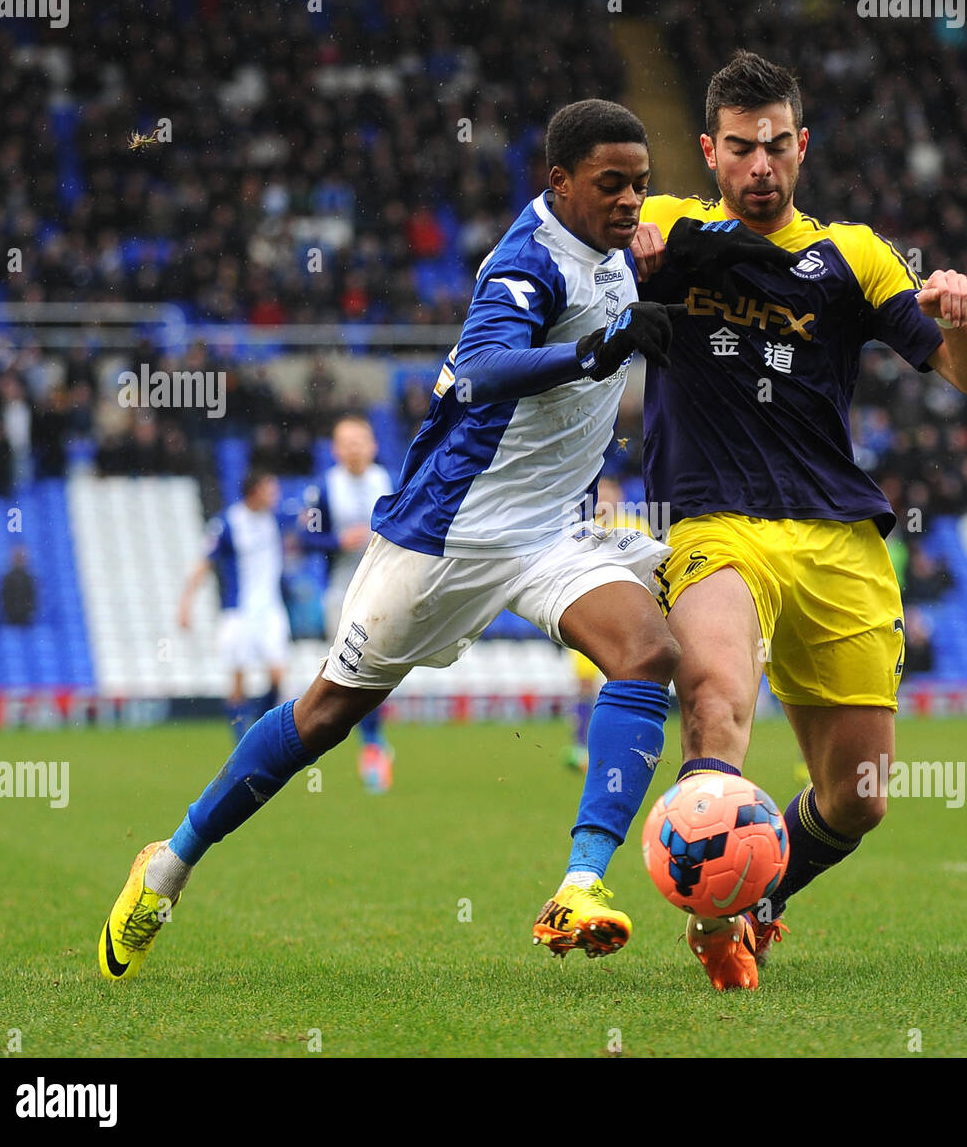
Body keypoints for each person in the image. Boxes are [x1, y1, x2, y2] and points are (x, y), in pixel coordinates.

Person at [99, 99, 685, 981]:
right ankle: (169, 864)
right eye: (613, 186)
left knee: (646, 654)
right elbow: (484, 369)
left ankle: (580, 884)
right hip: (448, 531)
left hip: (552, 533)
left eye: (641, 185)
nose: (632, 202)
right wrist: (598, 351)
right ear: (558, 183)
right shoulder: (526, 263)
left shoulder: (624, 244)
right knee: (326, 715)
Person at [633, 51, 967, 989]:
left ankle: (758, 894)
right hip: (714, 521)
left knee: (861, 798)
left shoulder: (856, 255)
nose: (761, 166)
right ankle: (712, 910)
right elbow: (610, 245)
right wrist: (624, 250)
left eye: (777, 146)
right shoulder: (670, 228)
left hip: (835, 534)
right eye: (742, 148)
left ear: (802, 146)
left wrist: (958, 317)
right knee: (715, 704)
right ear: (710, 151)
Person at [299, 415, 396, 792]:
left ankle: (372, 745)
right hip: (342, 593)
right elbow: (305, 537)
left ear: (372, 444)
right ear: (336, 449)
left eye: (361, 439)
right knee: (346, 673)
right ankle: (370, 744)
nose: (354, 447)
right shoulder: (324, 488)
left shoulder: (390, 481)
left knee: (376, 671)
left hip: (386, 591)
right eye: (346, 441)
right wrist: (338, 542)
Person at [178, 470, 290, 744]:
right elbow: (205, 562)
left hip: (271, 611)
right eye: (270, 489)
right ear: (254, 492)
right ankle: (240, 739)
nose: (275, 495)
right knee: (239, 679)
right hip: (239, 613)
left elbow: (307, 528)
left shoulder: (276, 518)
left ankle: (260, 730)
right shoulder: (228, 523)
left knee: (278, 675)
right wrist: (185, 603)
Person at [0, 546, 38, 626]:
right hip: (10, 619)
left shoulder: (28, 578)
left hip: (26, 619)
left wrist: (27, 612)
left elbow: (32, 598)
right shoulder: (8, 578)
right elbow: (4, 597)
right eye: (17, 558)